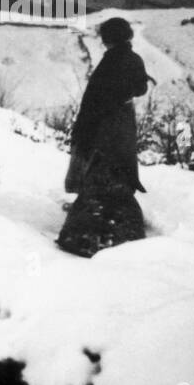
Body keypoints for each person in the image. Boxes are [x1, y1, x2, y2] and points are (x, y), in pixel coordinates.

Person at [57, 17, 151, 257]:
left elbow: (95, 101)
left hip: (103, 125)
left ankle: (93, 235)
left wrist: (82, 131)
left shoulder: (111, 61)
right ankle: (122, 227)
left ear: (108, 38)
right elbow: (141, 87)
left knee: (100, 173)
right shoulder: (133, 59)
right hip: (122, 124)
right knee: (118, 170)